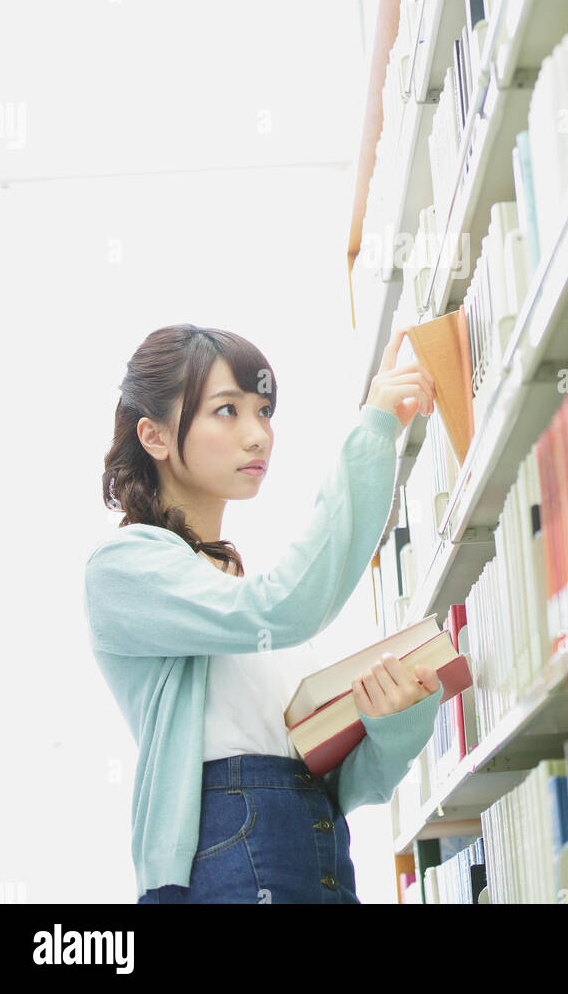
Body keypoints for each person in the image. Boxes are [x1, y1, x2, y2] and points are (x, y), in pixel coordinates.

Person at [85, 322, 444, 904]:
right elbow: (282, 606)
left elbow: (347, 787)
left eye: (265, 411)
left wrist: (395, 724)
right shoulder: (125, 569)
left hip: (321, 851)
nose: (258, 436)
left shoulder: (236, 593)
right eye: (227, 411)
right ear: (153, 436)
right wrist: (373, 431)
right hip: (230, 860)